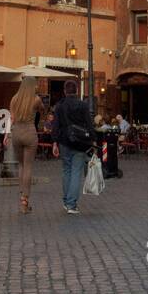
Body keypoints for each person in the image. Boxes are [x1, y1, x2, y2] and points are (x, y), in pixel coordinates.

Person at [53, 80, 94, 215]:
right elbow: (89, 124)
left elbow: (56, 126)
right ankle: (72, 204)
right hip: (80, 143)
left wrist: (55, 142)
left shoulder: (59, 106)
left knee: (66, 171)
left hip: (64, 141)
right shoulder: (83, 105)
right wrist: (92, 140)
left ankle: (66, 201)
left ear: (65, 91)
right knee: (76, 172)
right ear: (77, 90)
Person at [7, 75, 43, 214]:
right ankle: (24, 200)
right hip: (29, 133)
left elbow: (12, 118)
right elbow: (42, 109)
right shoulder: (36, 99)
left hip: (16, 133)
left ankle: (22, 198)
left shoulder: (14, 99)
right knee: (28, 167)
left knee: (21, 165)